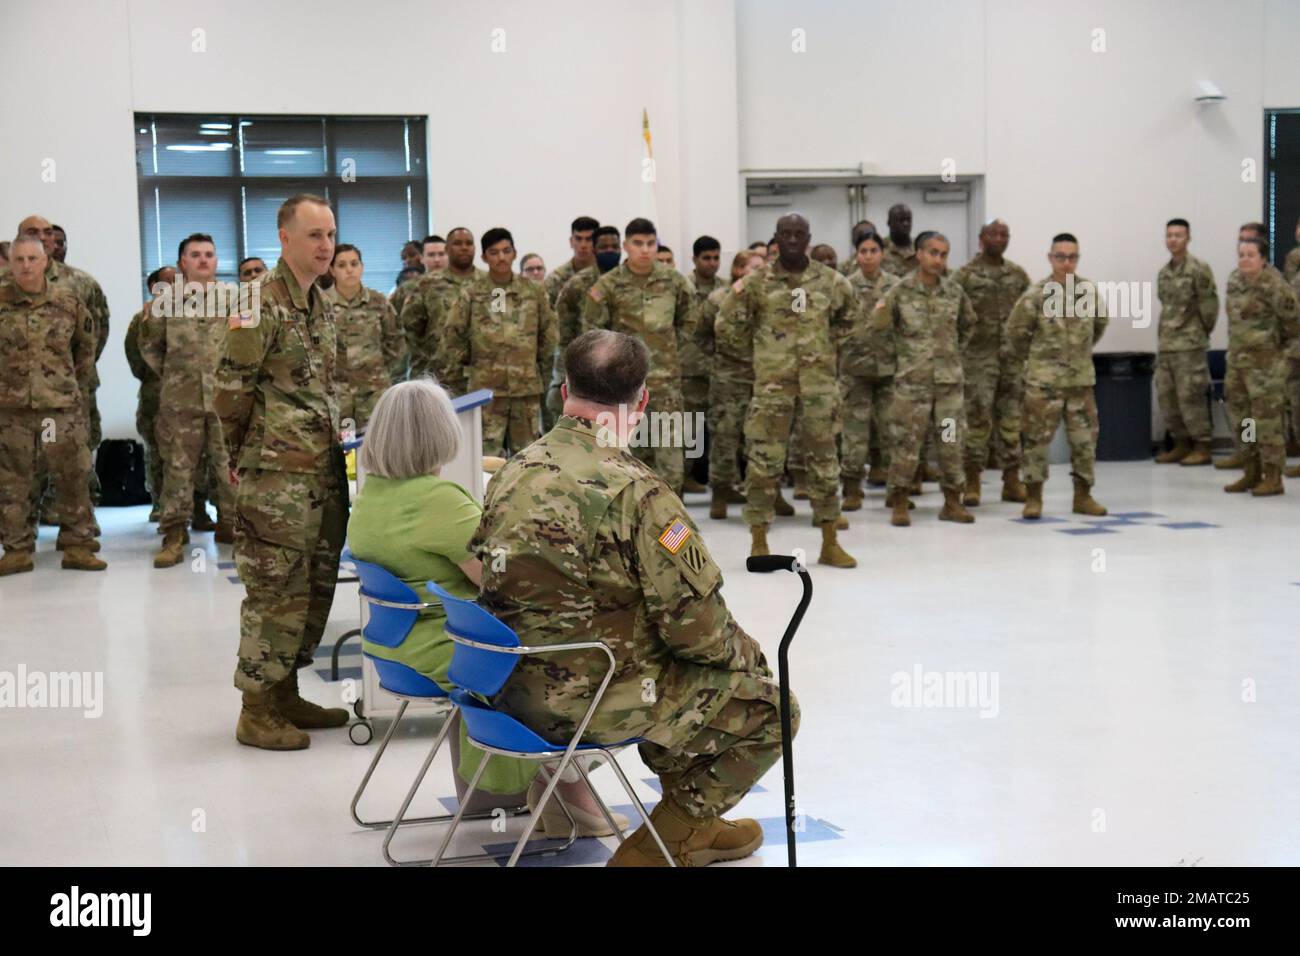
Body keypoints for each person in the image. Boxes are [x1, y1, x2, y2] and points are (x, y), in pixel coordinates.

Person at [473, 329, 794, 866]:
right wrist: (750, 660)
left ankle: (692, 821)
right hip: (585, 703)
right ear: (641, 400)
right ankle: (667, 841)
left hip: (500, 692)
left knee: (666, 665)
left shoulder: (511, 471)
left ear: (561, 390)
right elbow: (698, 630)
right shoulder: (638, 493)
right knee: (772, 708)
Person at [346, 379, 626, 834]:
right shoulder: (435, 501)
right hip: (452, 648)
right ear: (439, 434)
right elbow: (504, 579)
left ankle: (562, 793)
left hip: (401, 646)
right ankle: (566, 787)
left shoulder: (371, 495)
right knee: (599, 659)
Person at [214, 194, 350, 751]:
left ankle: (285, 692)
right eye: (314, 235)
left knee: (313, 588)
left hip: (318, 473)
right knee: (275, 591)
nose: (326, 246)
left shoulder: (319, 303)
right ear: (285, 237)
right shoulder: (257, 301)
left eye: (331, 235)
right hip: (276, 480)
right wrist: (246, 456)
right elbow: (229, 391)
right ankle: (255, 709)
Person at [716, 212, 857, 566]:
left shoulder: (832, 282)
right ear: (776, 239)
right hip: (772, 388)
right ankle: (759, 540)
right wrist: (760, 355)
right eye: (786, 234)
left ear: (808, 239)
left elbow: (852, 321)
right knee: (763, 464)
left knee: (825, 464)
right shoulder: (756, 283)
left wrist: (824, 348)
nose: (793, 240)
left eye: (799, 234)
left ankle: (829, 540)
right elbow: (726, 324)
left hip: (819, 388)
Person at [0, 235, 104, 575]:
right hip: (12, 411)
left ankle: (78, 545)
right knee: (15, 480)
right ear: (11, 263)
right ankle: (16, 549)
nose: (26, 266)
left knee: (71, 475)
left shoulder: (67, 302)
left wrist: (65, 382)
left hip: (57, 411)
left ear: (46, 261)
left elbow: (86, 349)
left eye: (33, 258)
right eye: (19, 260)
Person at [143, 233, 238, 564]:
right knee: (178, 471)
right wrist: (177, 375)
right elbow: (151, 348)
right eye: (195, 254)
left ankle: (231, 525)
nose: (203, 260)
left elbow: (250, 345)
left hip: (226, 401)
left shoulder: (235, 298)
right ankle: (173, 534)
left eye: (209, 254)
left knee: (229, 468)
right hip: (180, 401)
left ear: (216, 260)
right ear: (182, 262)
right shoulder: (164, 301)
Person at [580, 218, 693, 493]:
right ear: (626, 246)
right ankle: (633, 522)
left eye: (651, 244)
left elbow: (689, 325)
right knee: (628, 455)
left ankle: (671, 520)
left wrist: (672, 356)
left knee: (670, 455)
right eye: (638, 244)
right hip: (624, 386)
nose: (645, 250)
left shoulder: (676, 282)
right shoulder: (607, 286)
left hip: (666, 382)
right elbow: (595, 335)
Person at [875, 232, 976, 526]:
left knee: (950, 443)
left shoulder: (955, 292)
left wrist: (951, 354)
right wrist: (904, 358)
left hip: (947, 387)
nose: (938, 260)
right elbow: (879, 329)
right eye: (933, 252)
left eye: (944, 254)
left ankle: (952, 502)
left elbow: (967, 327)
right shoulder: (900, 291)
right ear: (919, 254)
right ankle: (900, 502)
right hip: (912, 385)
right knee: (907, 444)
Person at [1006, 233, 1109, 519]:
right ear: (1050, 258)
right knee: (1036, 441)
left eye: (1072, 257)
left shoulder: (1088, 292)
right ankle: (1034, 497)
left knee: (1084, 441)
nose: (1066, 262)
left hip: (1080, 382)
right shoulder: (1036, 295)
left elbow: (1099, 325)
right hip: (1044, 382)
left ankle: (1083, 495)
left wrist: (1078, 354)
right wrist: (1039, 360)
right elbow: (1016, 334)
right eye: (1060, 257)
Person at [17, 216, 110, 522]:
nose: (44, 237)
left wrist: (73, 376)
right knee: (21, 462)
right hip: (16, 396)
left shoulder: (80, 283)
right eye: (33, 232)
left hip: (71, 390)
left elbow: (96, 333)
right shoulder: (7, 286)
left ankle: (78, 526)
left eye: (48, 233)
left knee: (75, 458)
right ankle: (23, 529)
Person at [437, 227, 558, 457]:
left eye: (506, 251)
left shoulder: (534, 291)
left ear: (514, 253)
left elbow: (548, 337)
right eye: (494, 252)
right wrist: (470, 370)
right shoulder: (471, 294)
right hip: (485, 393)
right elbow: (453, 337)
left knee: (529, 456)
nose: (501, 257)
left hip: (525, 390)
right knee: (485, 458)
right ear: (483, 257)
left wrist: (536, 371)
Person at [954, 219, 1032, 504]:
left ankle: (1012, 480)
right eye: (993, 234)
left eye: (1004, 234)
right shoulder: (964, 276)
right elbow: (951, 315)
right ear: (981, 238)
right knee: (976, 421)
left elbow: (1028, 313)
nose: (999, 239)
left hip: (1010, 360)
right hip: (978, 360)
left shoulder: (1017, 275)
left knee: (1012, 421)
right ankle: (972, 481)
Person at [697, 249, 773, 519]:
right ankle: (720, 491)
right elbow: (701, 334)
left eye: (762, 268)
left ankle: (765, 495)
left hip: (762, 377)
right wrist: (719, 361)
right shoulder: (718, 299)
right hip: (729, 378)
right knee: (725, 435)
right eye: (754, 268)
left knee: (762, 439)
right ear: (739, 270)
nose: (759, 273)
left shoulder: (768, 299)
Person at [1221, 236, 1299, 495]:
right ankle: (1251, 470)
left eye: (1250, 254)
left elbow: (1294, 327)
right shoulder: (1234, 282)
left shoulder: (1276, 287)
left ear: (1263, 259)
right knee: (1245, 423)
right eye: (1241, 254)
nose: (1245, 259)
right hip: (1238, 364)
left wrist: (1282, 362)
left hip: (1267, 369)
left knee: (1267, 424)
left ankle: (1273, 476)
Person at [840, 231, 901, 511]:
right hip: (855, 370)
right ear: (856, 254)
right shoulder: (845, 286)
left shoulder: (896, 287)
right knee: (855, 433)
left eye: (873, 250)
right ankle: (852, 489)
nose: (868, 256)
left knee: (893, 431)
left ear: (882, 253)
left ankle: (896, 488)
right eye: (863, 251)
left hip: (889, 369)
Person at [1153, 218, 1218, 466]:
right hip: (1168, 344)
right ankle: (1181, 443)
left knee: (1191, 396)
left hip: (1190, 345)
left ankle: (1202, 445)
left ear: (1188, 238)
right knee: (1167, 396)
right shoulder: (1164, 272)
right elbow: (1166, 304)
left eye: (1178, 235)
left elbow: (1209, 306)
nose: (1173, 240)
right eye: (1169, 235)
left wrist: (1199, 332)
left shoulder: (1198, 269)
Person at [326, 243, 407, 428]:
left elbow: (396, 344)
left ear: (362, 267)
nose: (349, 270)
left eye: (354, 264)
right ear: (331, 270)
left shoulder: (378, 302)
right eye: (342, 265)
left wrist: (385, 377)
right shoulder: (321, 304)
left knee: (377, 447)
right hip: (336, 395)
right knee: (341, 451)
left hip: (375, 393)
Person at [123, 266, 177, 519]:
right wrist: (152, 378)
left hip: (189, 396)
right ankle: (159, 504)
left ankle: (197, 508)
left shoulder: (193, 314)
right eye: (165, 283)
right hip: (154, 396)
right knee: (157, 452)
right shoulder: (141, 320)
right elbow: (134, 356)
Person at [400, 229, 481, 379]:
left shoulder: (495, 286)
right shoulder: (423, 285)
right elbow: (409, 331)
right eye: (457, 244)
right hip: (438, 376)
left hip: (482, 375)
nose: (464, 248)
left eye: (469, 243)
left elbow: (501, 323)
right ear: (448, 249)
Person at [682, 236, 724, 493]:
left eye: (716, 258)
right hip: (691, 368)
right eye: (706, 258)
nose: (712, 263)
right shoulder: (684, 287)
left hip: (721, 367)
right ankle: (685, 475)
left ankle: (723, 481)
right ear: (695, 260)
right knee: (691, 428)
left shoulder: (726, 289)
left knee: (722, 426)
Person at [543, 216, 599, 308]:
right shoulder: (556, 279)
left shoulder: (607, 275)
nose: (583, 245)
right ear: (571, 242)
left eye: (589, 239)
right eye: (578, 239)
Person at [881, 204, 917, 276]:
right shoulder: (880, 248)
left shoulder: (920, 247)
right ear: (889, 223)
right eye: (901, 220)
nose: (906, 224)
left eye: (908, 220)